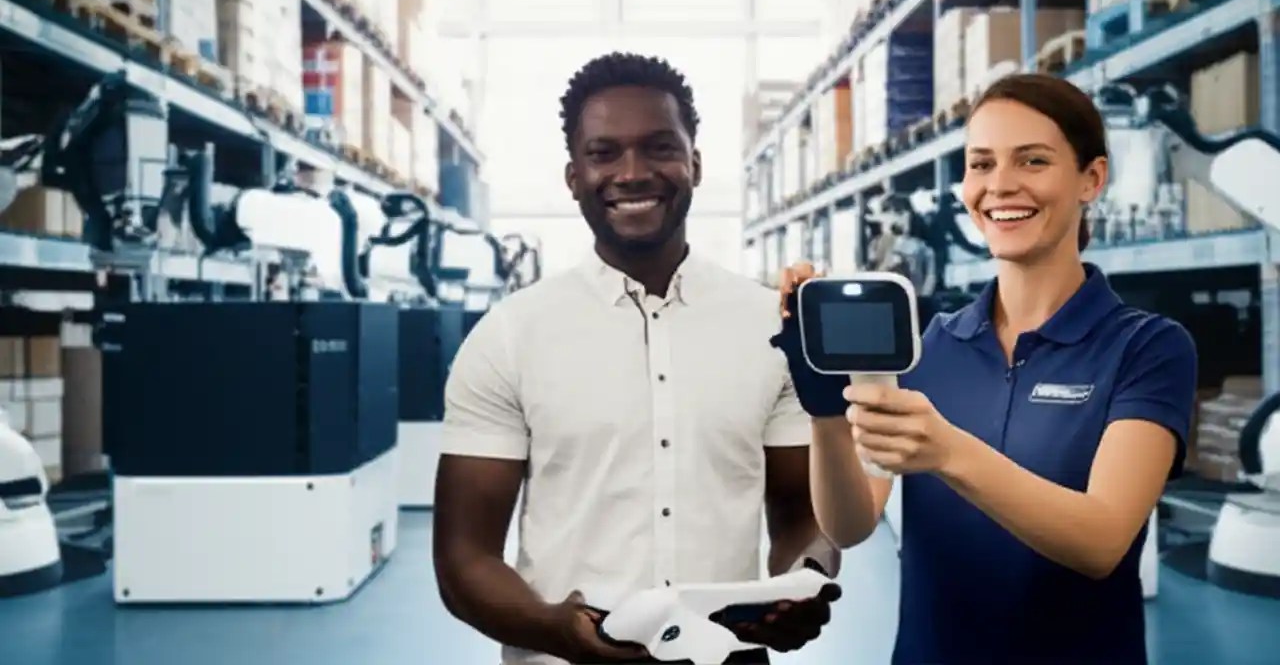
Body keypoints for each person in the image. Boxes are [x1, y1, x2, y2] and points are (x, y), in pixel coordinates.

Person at [772, 73, 1198, 664]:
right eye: (981, 164)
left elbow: (1102, 540)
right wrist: (825, 415)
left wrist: (948, 452)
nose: (1000, 185)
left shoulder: (1146, 348)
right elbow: (850, 524)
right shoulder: (931, 346)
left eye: (1032, 160)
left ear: (1092, 179)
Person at [433, 52, 843, 665]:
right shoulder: (510, 337)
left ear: (694, 164)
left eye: (659, 148)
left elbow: (802, 513)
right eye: (603, 153)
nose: (632, 173)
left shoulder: (771, 327)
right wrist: (556, 631)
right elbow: (464, 556)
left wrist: (803, 582)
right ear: (574, 176)